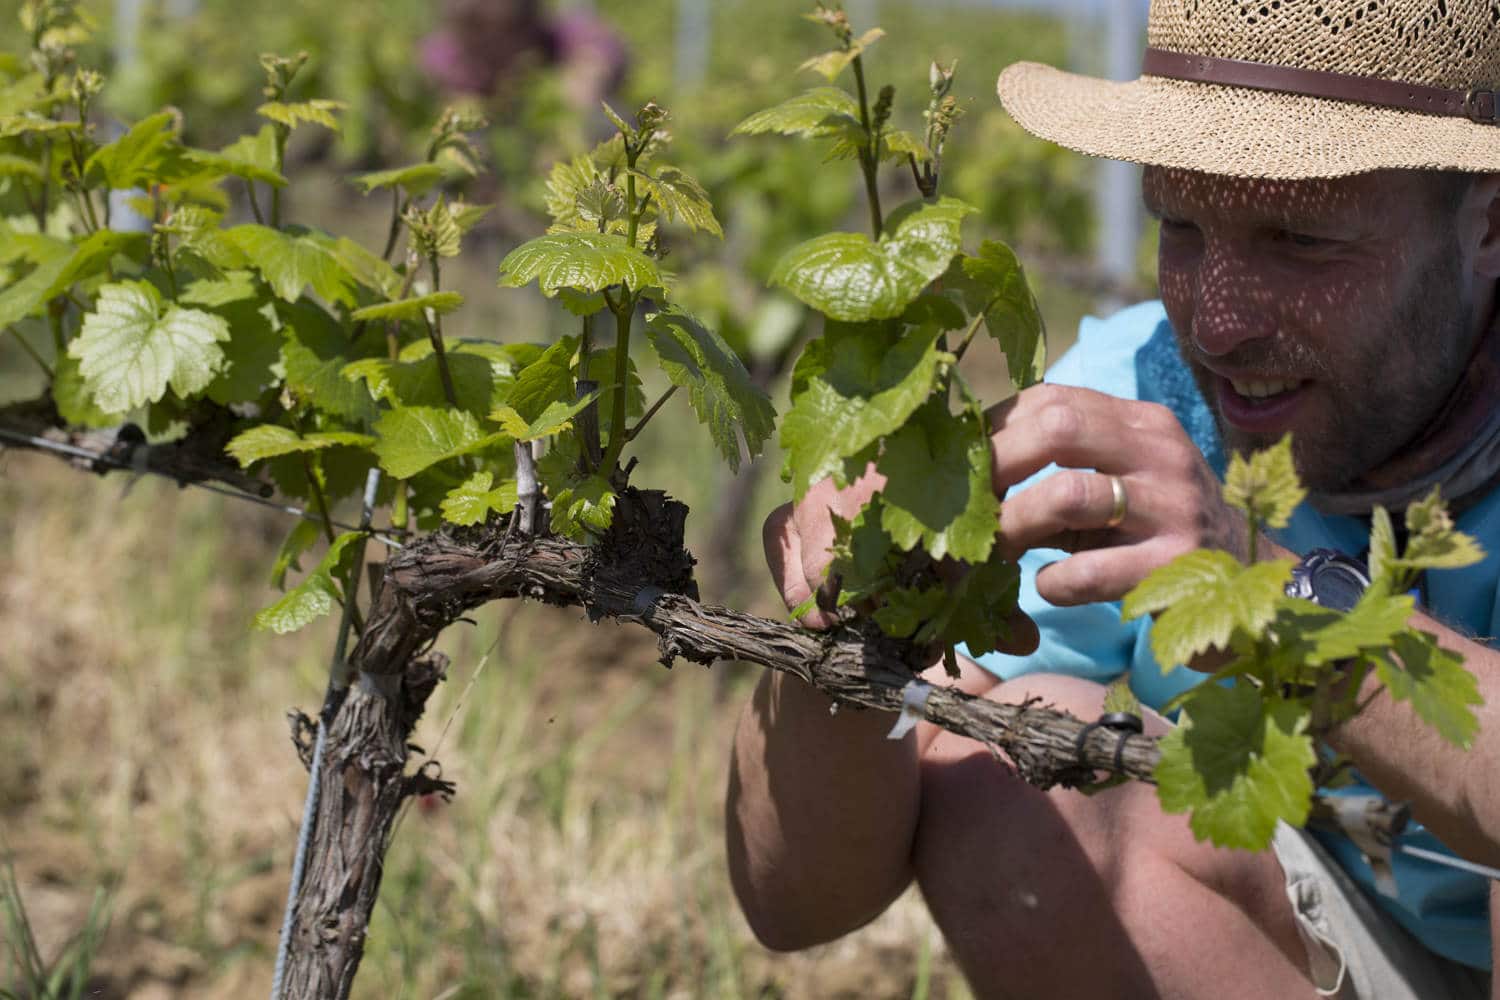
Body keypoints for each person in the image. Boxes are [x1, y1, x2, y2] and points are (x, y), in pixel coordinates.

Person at [725, 1, 1500, 997]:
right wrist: (843, 641)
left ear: (1488, 227)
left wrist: (1267, 599)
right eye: (1178, 224)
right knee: (1022, 766)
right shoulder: (1138, 403)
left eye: (1302, 241)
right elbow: (796, 906)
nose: (1216, 325)